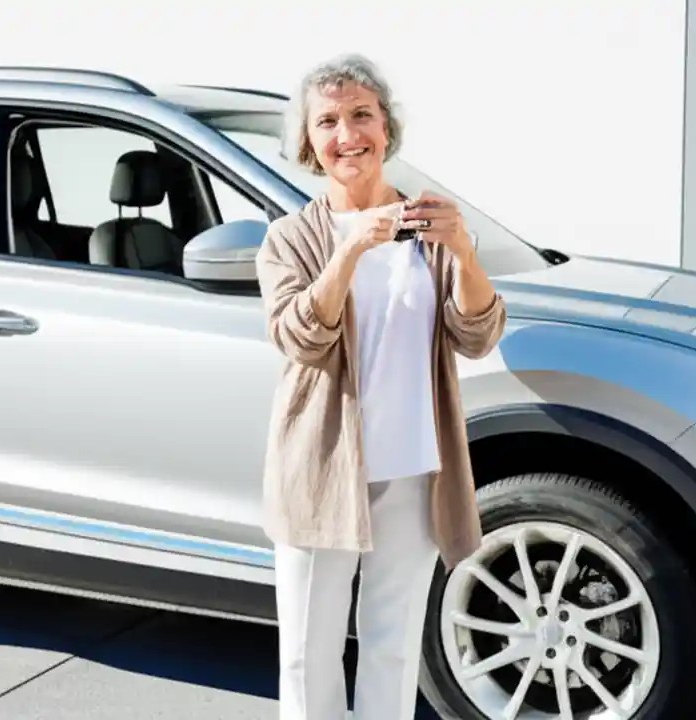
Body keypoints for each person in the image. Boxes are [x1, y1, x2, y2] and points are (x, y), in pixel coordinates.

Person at [254, 53, 508, 720]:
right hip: (319, 472)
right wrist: (348, 252)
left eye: (361, 115)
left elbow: (479, 335)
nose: (348, 135)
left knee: (393, 646)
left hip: (415, 467)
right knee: (309, 654)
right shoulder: (289, 240)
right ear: (309, 141)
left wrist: (466, 253)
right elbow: (299, 337)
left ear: (386, 128)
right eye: (328, 121)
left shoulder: (432, 228)